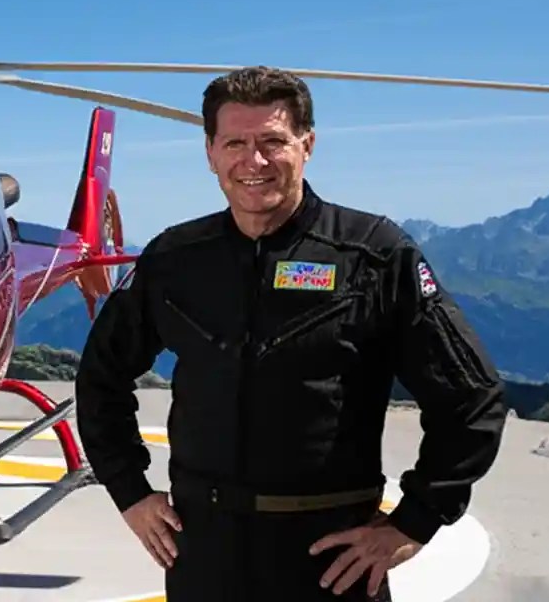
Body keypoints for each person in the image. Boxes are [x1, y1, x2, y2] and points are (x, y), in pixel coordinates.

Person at [73, 66, 508, 601]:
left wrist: (414, 522)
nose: (252, 162)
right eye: (234, 142)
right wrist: (130, 492)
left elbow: (472, 397)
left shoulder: (373, 255)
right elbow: (100, 377)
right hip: (203, 552)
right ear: (210, 152)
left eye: (272, 142)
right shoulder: (175, 259)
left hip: (329, 560)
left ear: (307, 145)